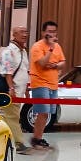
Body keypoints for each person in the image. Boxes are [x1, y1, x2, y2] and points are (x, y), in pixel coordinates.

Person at [28, 21, 66, 150]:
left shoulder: (58, 46)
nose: (51, 34)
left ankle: (38, 137)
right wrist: (50, 49)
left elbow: (63, 62)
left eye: (54, 32)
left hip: (53, 84)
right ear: (43, 32)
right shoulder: (37, 47)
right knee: (42, 112)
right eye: (49, 32)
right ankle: (36, 139)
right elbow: (43, 63)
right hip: (40, 82)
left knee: (48, 113)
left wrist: (55, 65)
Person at [0, 26, 30, 153]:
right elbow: (7, 72)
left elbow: (24, 71)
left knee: (11, 116)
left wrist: (26, 89)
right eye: (22, 32)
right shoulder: (8, 51)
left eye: (26, 32)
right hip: (11, 90)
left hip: (19, 91)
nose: (25, 34)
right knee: (12, 116)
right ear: (14, 35)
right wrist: (11, 88)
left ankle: (4, 140)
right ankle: (18, 143)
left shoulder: (24, 51)